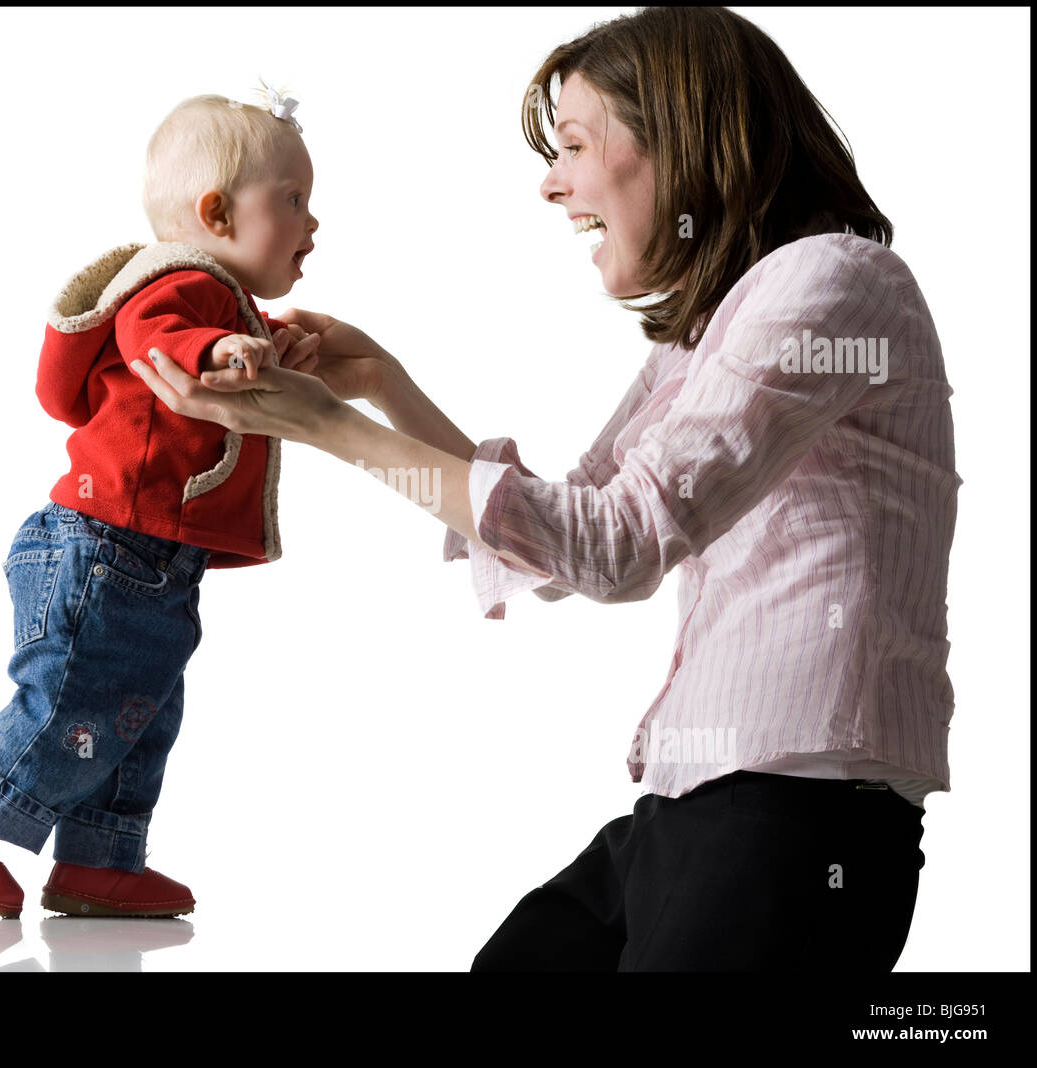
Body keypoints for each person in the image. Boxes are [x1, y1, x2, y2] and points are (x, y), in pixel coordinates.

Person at [128, 8, 960, 969]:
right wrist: (383, 389)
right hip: (698, 812)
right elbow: (565, 540)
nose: (551, 182)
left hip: (806, 829)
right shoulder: (710, 334)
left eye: (573, 145)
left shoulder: (834, 281)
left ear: (680, 139)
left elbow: (618, 546)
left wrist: (326, 427)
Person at [0, 88, 322, 919]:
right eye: (294, 200)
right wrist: (218, 348)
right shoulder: (179, 282)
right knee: (74, 702)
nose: (314, 221)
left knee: (140, 712)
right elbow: (152, 333)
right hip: (105, 550)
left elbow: (205, 361)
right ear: (216, 213)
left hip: (146, 560)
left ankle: (100, 859)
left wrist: (267, 349)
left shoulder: (220, 302)